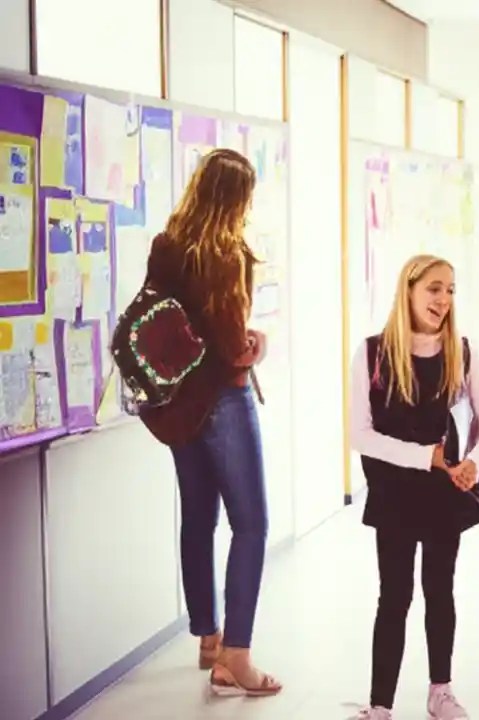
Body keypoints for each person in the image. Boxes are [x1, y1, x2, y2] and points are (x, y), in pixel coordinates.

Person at [140, 148, 279, 697]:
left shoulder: (167, 246)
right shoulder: (227, 253)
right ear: (237, 198)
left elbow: (161, 320)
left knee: (198, 516)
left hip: (174, 401)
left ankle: (208, 636)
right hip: (222, 398)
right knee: (252, 524)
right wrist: (254, 348)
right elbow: (229, 344)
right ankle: (236, 659)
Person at [348, 254, 479, 720]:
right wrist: (425, 458)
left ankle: (441, 691)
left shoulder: (462, 352)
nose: (444, 299)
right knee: (393, 595)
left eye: (451, 290)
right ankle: (380, 705)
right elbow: (360, 434)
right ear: (409, 289)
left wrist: (474, 461)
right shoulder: (373, 353)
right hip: (393, 493)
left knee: (440, 589)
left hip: (443, 496)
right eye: (434, 288)